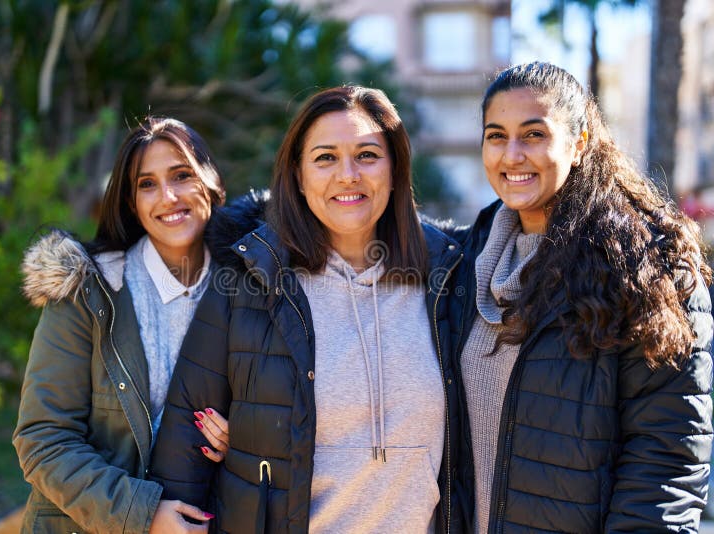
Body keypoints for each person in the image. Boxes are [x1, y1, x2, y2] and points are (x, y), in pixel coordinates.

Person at [149, 85, 467, 533]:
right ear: (298, 176)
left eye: (368, 155)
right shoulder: (251, 280)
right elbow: (184, 445)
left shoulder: (446, 277)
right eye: (325, 158)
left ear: (395, 167)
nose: (348, 175)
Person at [446, 61, 713, 532]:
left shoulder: (646, 263)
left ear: (580, 142)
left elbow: (667, 459)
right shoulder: (465, 263)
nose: (512, 155)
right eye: (495, 135)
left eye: (533, 134)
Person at [13, 116, 231, 533]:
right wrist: (143, 515)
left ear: (211, 183)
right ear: (131, 203)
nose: (168, 197)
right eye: (146, 184)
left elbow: (278, 412)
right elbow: (42, 439)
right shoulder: (87, 294)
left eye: (181, 175)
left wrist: (242, 437)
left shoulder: (250, 291)